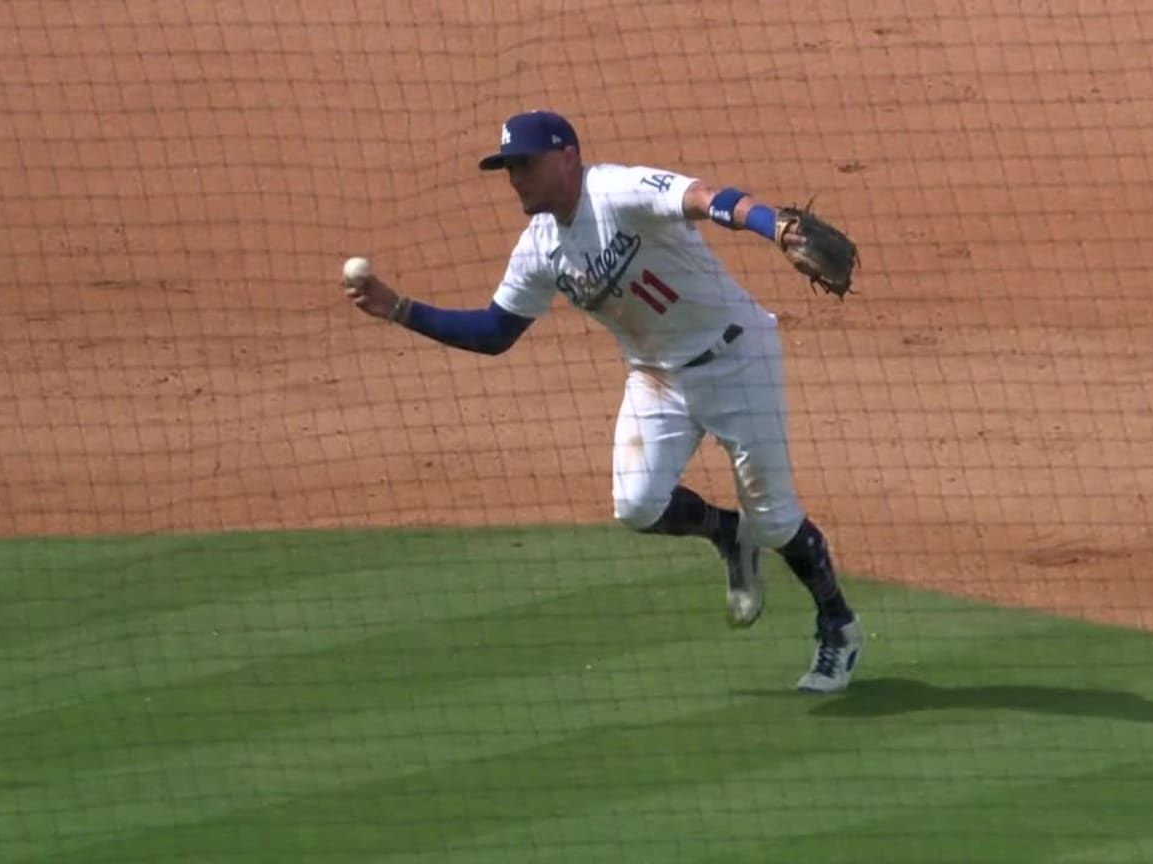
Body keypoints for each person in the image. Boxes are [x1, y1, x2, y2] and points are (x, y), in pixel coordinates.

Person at [340, 110, 863, 692]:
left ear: (567, 157)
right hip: (656, 378)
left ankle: (838, 626)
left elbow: (705, 199)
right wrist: (399, 309)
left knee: (777, 519)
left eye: (525, 164)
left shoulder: (617, 191)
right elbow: (493, 333)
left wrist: (775, 228)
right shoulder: (539, 248)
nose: (516, 178)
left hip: (737, 359)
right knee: (637, 505)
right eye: (509, 167)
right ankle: (725, 532)